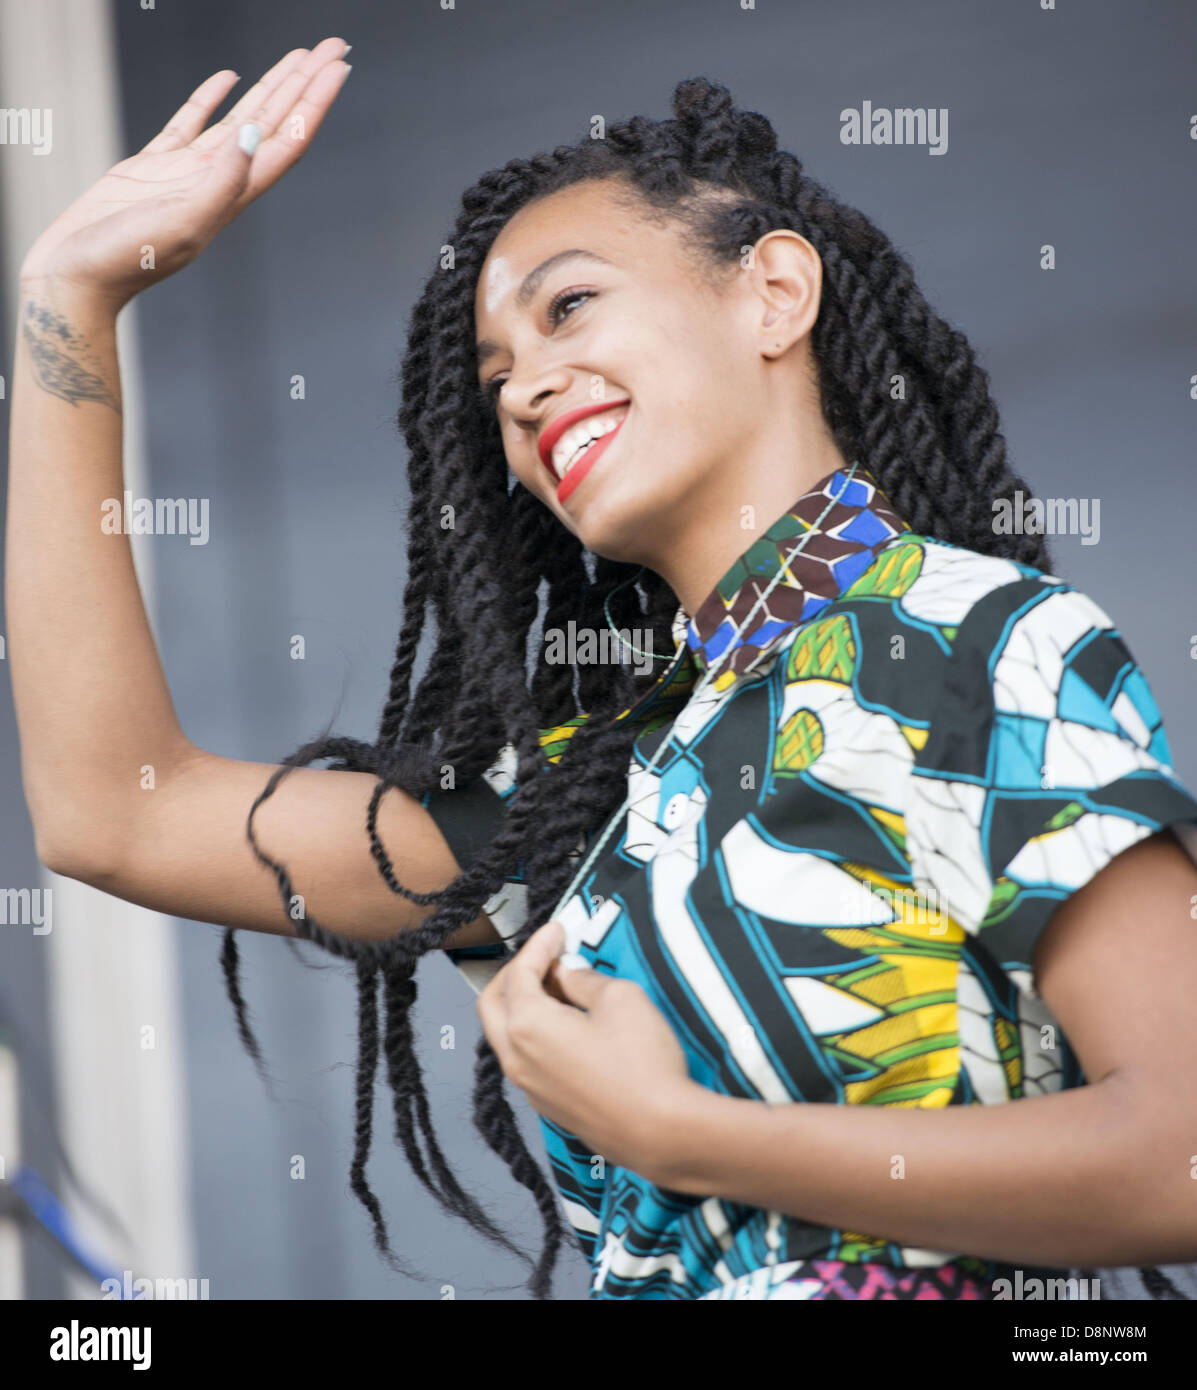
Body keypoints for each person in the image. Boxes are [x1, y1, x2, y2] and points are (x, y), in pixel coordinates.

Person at [10, 38, 1197, 1302]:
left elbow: (1179, 1156)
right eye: (494, 376)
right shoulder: (594, 798)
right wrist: (66, 304)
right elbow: (117, 811)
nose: (522, 389)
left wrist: (687, 1138)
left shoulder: (981, 645)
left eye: (568, 307)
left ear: (773, 294)